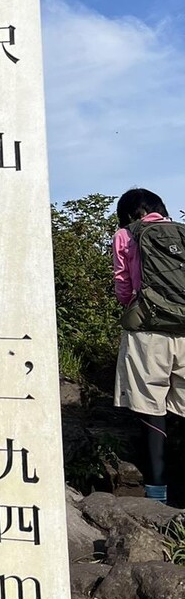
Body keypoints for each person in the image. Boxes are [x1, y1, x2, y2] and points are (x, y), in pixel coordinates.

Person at [113, 187, 185, 502]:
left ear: (131, 214)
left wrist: (137, 308)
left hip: (148, 333)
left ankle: (157, 496)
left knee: (151, 409)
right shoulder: (182, 233)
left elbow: (123, 285)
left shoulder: (126, 235)